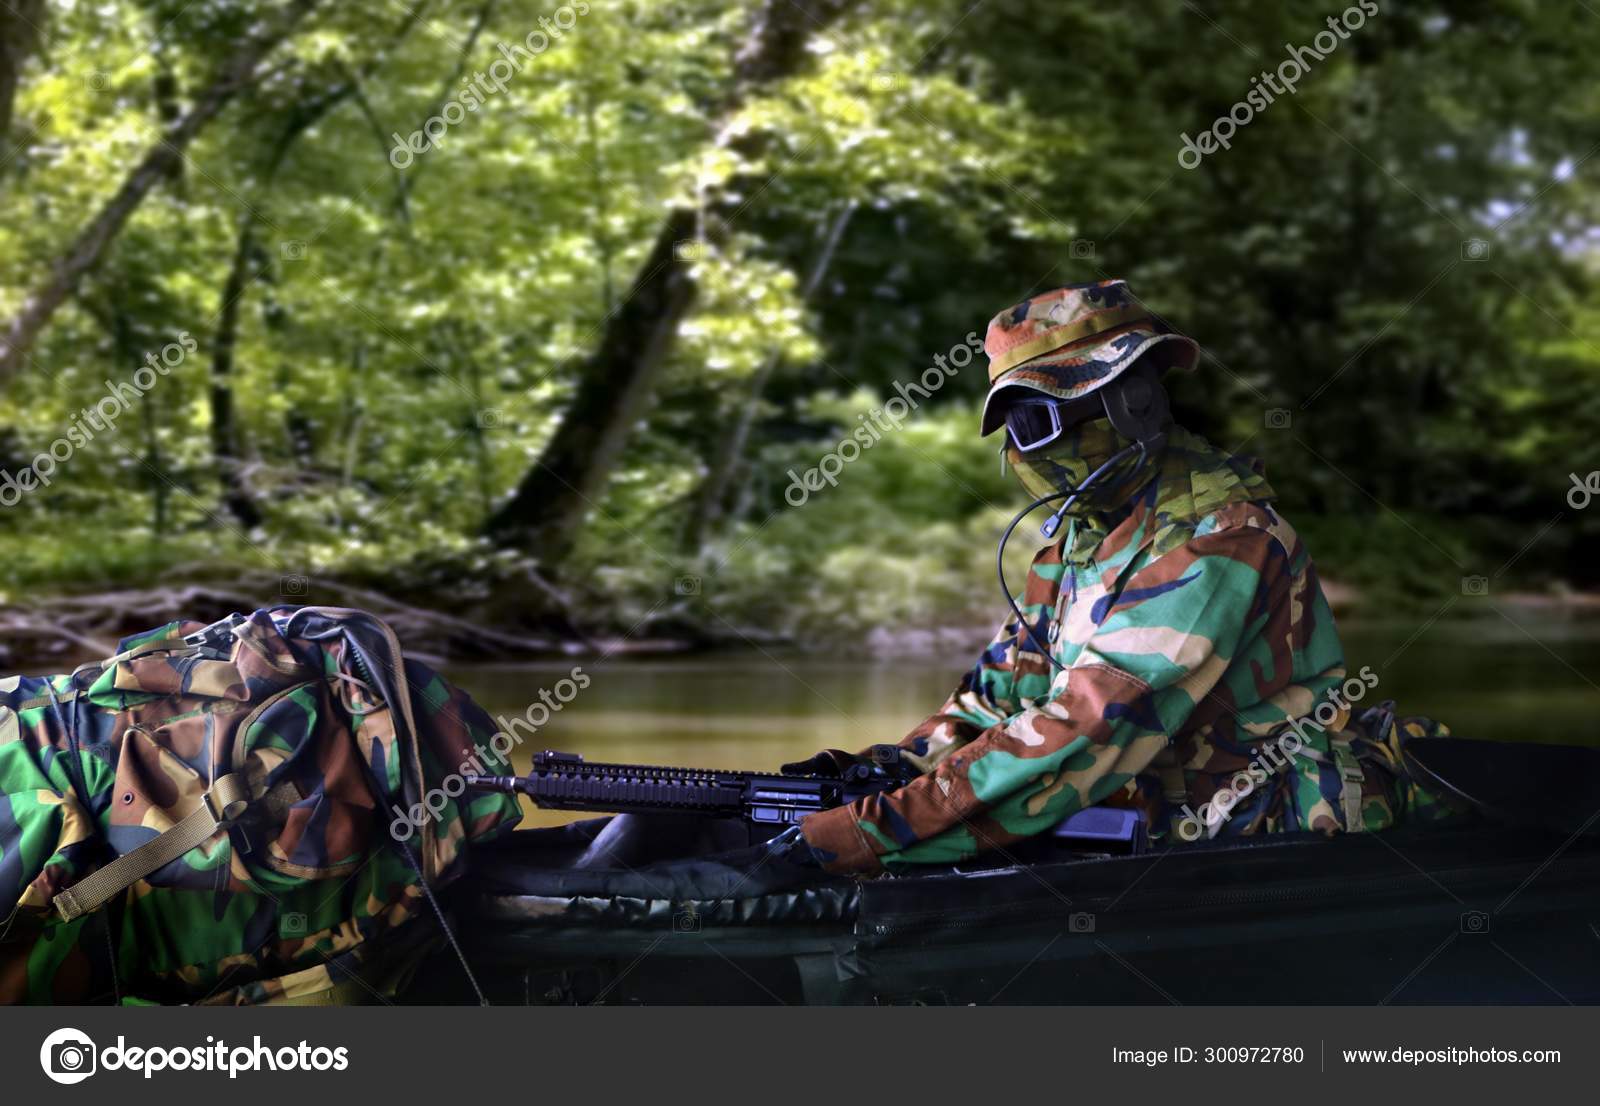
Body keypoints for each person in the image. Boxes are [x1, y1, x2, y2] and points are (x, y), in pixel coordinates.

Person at [791, 279, 1409, 876]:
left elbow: (1092, 725)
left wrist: (867, 835)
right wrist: (877, 776)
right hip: (1146, 832)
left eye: (1041, 420)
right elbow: (996, 699)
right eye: (1018, 425)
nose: (1025, 448)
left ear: (1132, 405)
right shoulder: (1078, 545)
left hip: (1271, 843)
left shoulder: (1225, 540)